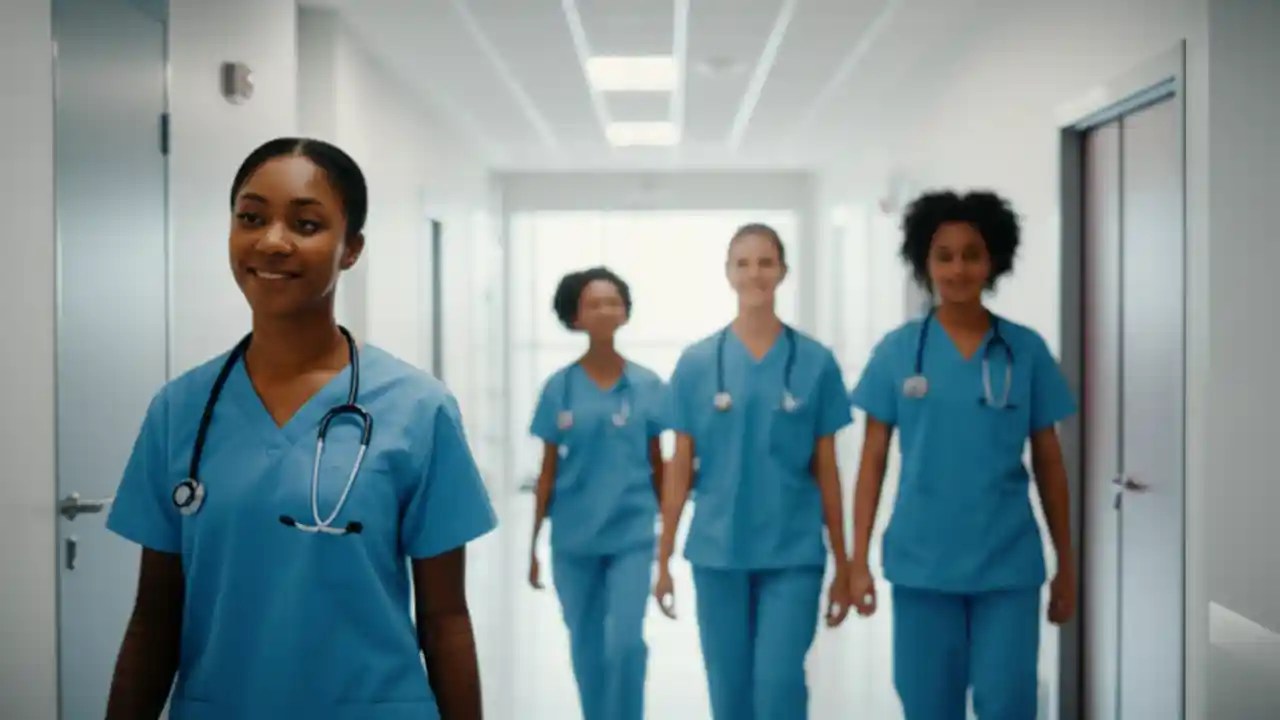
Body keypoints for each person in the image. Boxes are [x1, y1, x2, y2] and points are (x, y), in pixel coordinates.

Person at [103, 137, 497, 720]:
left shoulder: (417, 408)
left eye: (306, 224)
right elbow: (155, 615)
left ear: (351, 248)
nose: (272, 241)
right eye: (251, 218)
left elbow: (445, 620)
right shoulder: (180, 409)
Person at [847, 190, 1077, 720]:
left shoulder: (1026, 350)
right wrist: (857, 561)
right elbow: (872, 462)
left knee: (1007, 702)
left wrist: (1066, 563)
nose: (957, 268)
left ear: (993, 259)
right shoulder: (898, 351)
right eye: (943, 255)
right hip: (922, 563)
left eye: (971, 253)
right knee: (928, 704)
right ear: (923, 263)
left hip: (1008, 564)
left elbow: (1049, 462)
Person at [653, 223, 854, 719]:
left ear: (783, 270)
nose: (755, 273)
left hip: (794, 551)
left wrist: (846, 561)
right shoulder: (698, 363)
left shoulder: (815, 362)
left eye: (766, 262)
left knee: (778, 685)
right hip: (718, 551)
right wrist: (663, 558)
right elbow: (679, 469)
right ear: (727, 273)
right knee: (729, 692)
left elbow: (828, 469)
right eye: (743, 263)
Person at [526, 267, 666, 720]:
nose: (605, 310)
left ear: (625, 312)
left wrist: (667, 543)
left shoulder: (647, 386)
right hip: (574, 540)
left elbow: (659, 463)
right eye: (593, 303)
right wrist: (532, 546)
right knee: (586, 648)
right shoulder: (559, 388)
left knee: (625, 643)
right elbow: (547, 472)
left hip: (631, 536)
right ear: (575, 316)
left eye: (613, 301)